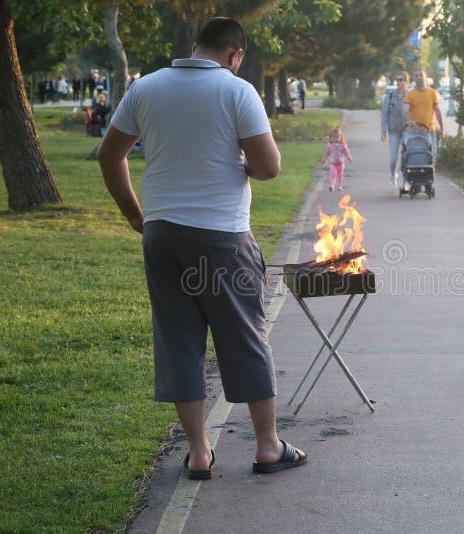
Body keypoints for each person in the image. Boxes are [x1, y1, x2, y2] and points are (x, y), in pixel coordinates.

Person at [97, 16, 307, 480]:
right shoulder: (237, 91)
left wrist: (135, 215)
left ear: (194, 47)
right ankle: (267, 447)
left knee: (178, 341)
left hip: (162, 235)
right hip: (222, 238)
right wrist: (243, 162)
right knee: (244, 336)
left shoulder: (145, 87)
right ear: (236, 55)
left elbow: (110, 155)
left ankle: (197, 453)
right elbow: (269, 167)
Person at [403, 69, 445, 159]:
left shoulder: (432, 92)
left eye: (421, 75)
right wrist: (409, 121)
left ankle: (431, 168)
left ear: (425, 77)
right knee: (409, 154)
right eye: (416, 76)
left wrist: (442, 129)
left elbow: (437, 111)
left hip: (429, 130)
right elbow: (405, 110)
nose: (419, 77)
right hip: (413, 130)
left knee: (432, 154)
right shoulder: (410, 94)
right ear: (414, 79)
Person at [380, 71, 409, 190]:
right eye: (397, 79)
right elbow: (384, 114)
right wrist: (383, 130)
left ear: (406, 82)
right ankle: (393, 175)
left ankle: (406, 180)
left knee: (406, 156)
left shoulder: (410, 95)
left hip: (407, 130)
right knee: (393, 158)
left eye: (401, 79)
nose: (398, 82)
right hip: (393, 130)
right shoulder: (391, 95)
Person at [322, 126, 353, 192]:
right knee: (332, 174)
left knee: (340, 175)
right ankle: (332, 185)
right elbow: (327, 153)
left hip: (340, 163)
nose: (336, 139)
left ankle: (340, 185)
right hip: (333, 163)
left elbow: (346, 153)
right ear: (331, 138)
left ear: (340, 137)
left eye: (337, 137)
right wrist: (324, 159)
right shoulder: (329, 145)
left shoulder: (343, 145)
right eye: (334, 137)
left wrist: (349, 158)